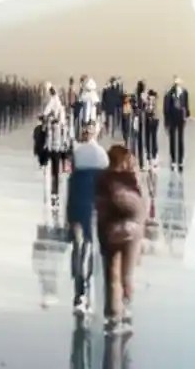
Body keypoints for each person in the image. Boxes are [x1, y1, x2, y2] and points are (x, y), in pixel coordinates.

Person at [95, 144, 147, 335]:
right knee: (127, 274)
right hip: (132, 230)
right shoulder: (131, 178)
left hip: (110, 230)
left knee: (111, 275)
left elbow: (100, 207)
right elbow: (141, 206)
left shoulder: (102, 179)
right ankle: (126, 310)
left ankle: (112, 315)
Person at [67, 121, 109, 315]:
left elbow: (72, 181)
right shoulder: (102, 156)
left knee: (78, 246)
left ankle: (79, 292)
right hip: (93, 206)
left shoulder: (77, 153)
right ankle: (87, 285)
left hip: (77, 204)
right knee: (89, 247)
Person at [42, 86, 69, 206]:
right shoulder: (60, 107)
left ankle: (54, 190)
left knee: (53, 169)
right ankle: (55, 190)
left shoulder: (52, 104)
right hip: (58, 146)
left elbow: (45, 114)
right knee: (56, 169)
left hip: (53, 146)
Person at [163, 77, 190, 172]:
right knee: (172, 140)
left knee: (180, 140)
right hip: (172, 118)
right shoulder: (169, 93)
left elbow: (186, 105)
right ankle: (173, 160)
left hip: (180, 119)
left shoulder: (184, 92)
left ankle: (180, 161)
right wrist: (166, 121)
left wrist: (186, 116)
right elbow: (166, 107)